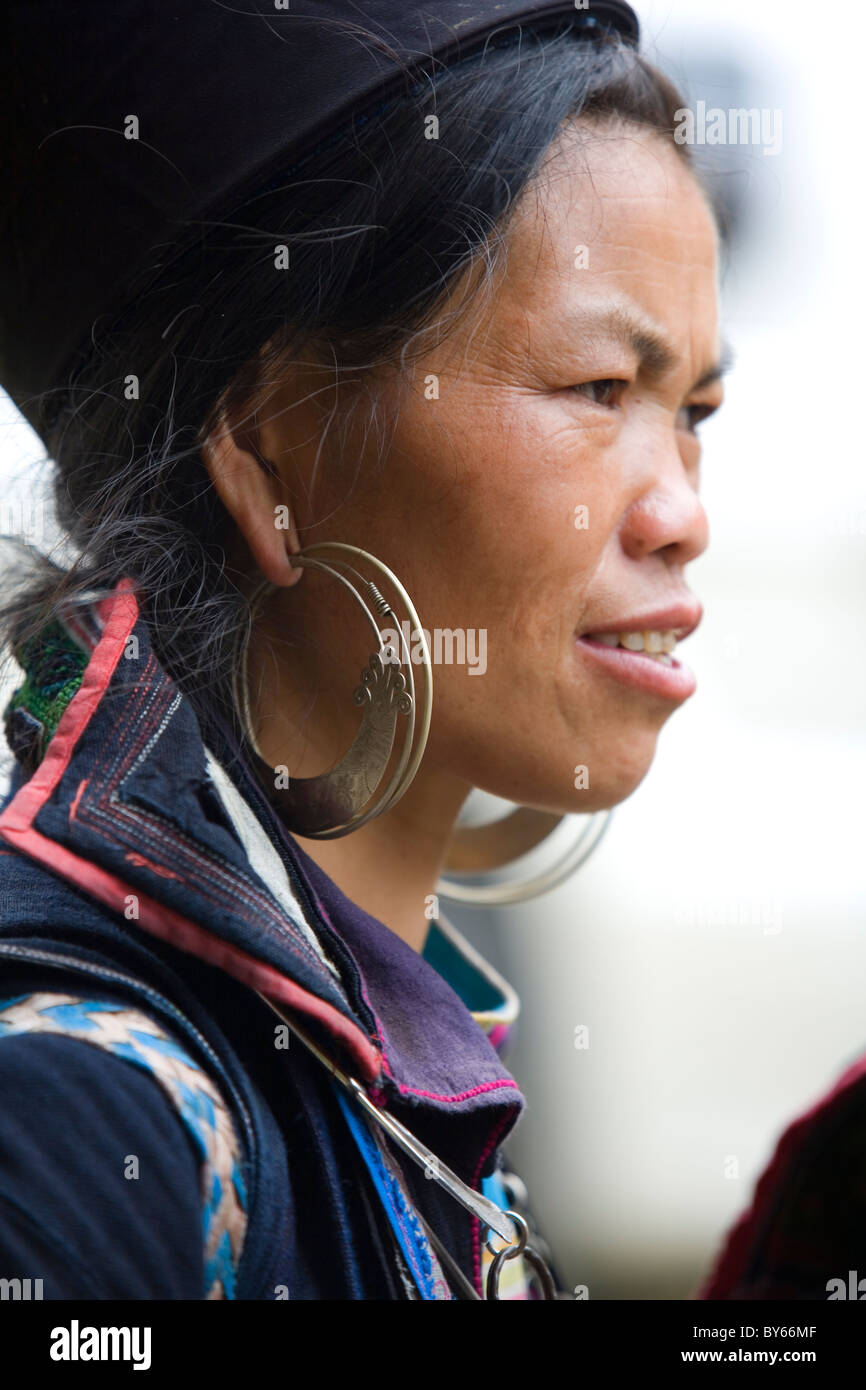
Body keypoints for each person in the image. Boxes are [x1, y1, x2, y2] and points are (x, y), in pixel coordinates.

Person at [0, 0, 729, 1299]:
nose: (681, 513)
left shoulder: (399, 1086)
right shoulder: (83, 1106)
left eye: (693, 410)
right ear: (269, 447)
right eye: (595, 391)